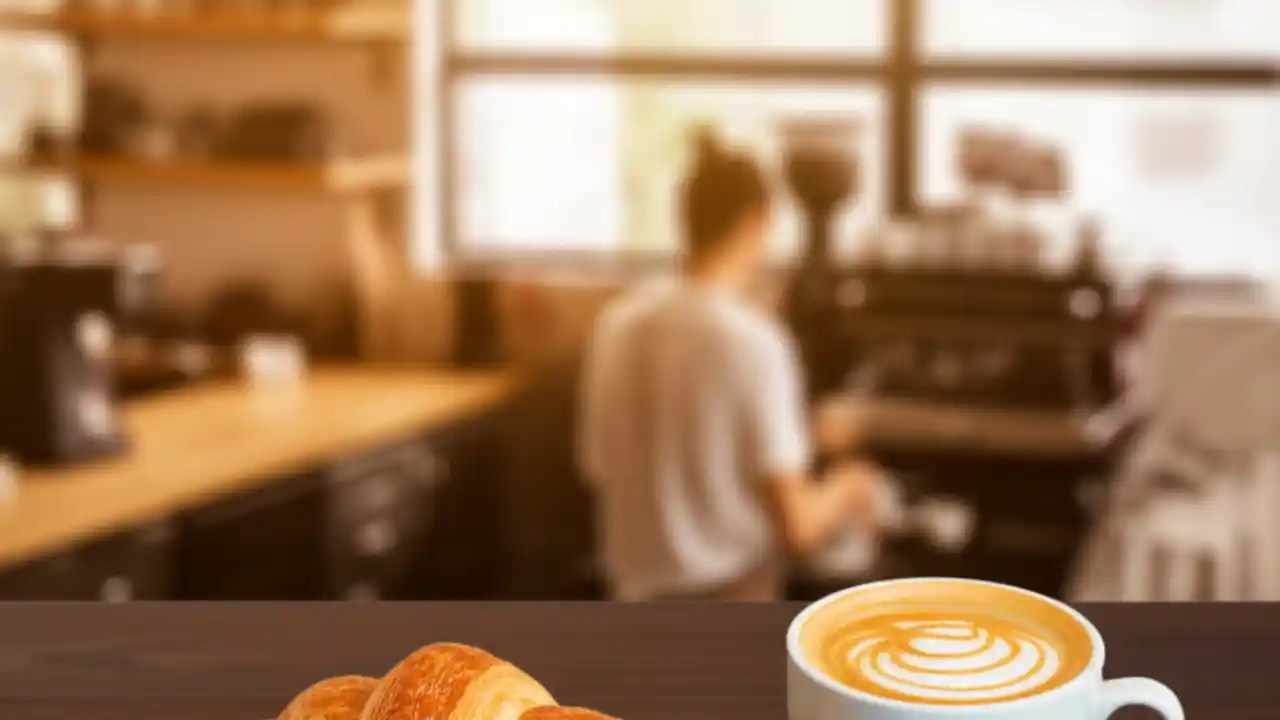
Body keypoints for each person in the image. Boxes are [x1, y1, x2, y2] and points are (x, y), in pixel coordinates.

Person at [578, 131, 883, 602]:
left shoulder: (617, 323)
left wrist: (801, 437)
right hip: (729, 606)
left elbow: (602, 465)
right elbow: (797, 528)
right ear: (756, 222)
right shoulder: (755, 341)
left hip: (628, 602)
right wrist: (848, 487)